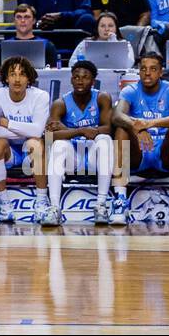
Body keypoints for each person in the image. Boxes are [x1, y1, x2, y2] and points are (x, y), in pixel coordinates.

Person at [110, 51, 169, 225]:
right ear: (139, 71)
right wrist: (137, 128)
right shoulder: (130, 91)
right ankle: (119, 200)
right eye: (143, 69)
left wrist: (149, 124)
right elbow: (117, 115)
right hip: (138, 153)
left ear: (161, 72)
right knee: (120, 131)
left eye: (153, 69)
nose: (147, 73)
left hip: (164, 154)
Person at [46, 60, 115, 226]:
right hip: (73, 158)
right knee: (58, 146)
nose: (80, 81)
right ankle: (54, 208)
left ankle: (101, 204)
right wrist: (81, 131)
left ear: (93, 81)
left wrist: (67, 129)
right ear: (71, 80)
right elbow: (49, 135)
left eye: (85, 77)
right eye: (76, 77)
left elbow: (109, 129)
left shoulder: (102, 98)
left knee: (105, 141)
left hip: (94, 158)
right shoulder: (60, 103)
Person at [0, 55, 53, 223]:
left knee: (35, 143)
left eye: (22, 74)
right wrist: (26, 130)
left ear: (29, 78)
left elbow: (38, 131)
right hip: (9, 151)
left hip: (30, 150)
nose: (17, 79)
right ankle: (4, 203)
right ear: (5, 77)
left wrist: (6, 123)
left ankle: (41, 201)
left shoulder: (41, 96)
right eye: (12, 74)